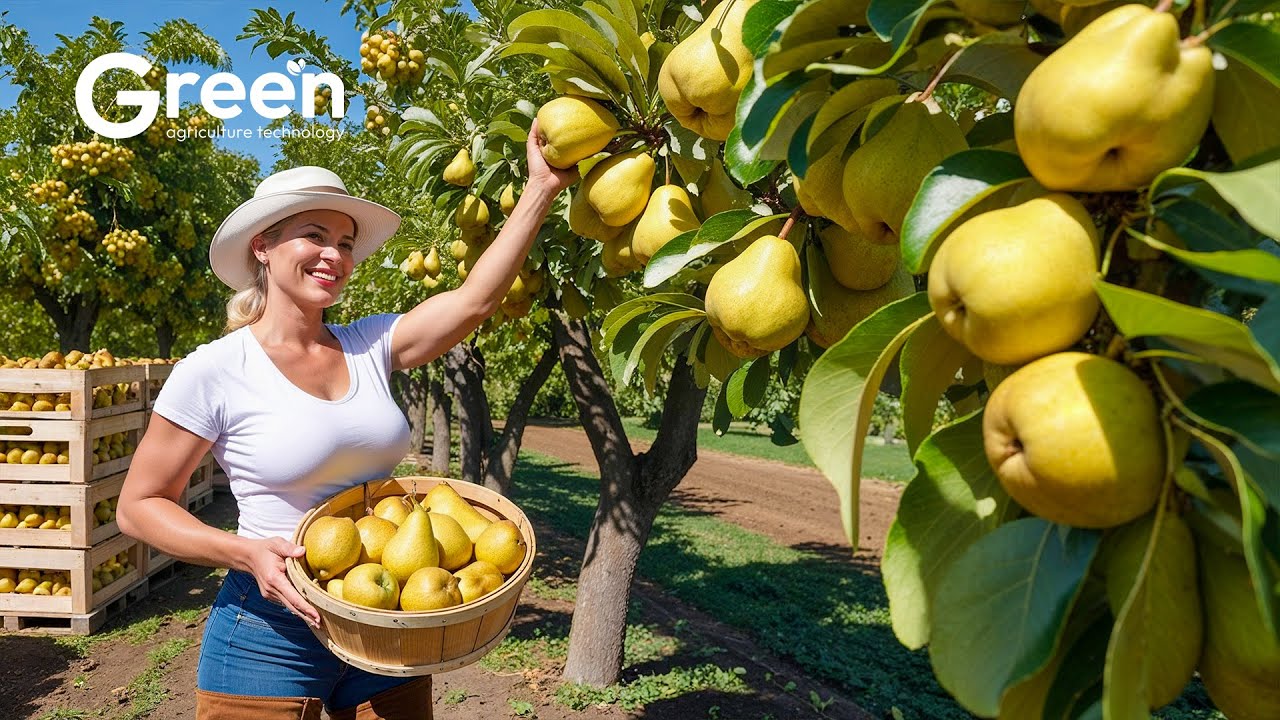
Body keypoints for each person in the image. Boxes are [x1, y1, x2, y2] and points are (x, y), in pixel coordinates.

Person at [116, 120, 576, 720]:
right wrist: (244, 552)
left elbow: (473, 301)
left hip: (388, 626)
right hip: (269, 633)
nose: (335, 254)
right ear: (264, 247)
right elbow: (139, 505)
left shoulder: (371, 345)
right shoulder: (216, 370)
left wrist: (540, 189)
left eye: (346, 241)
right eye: (315, 236)